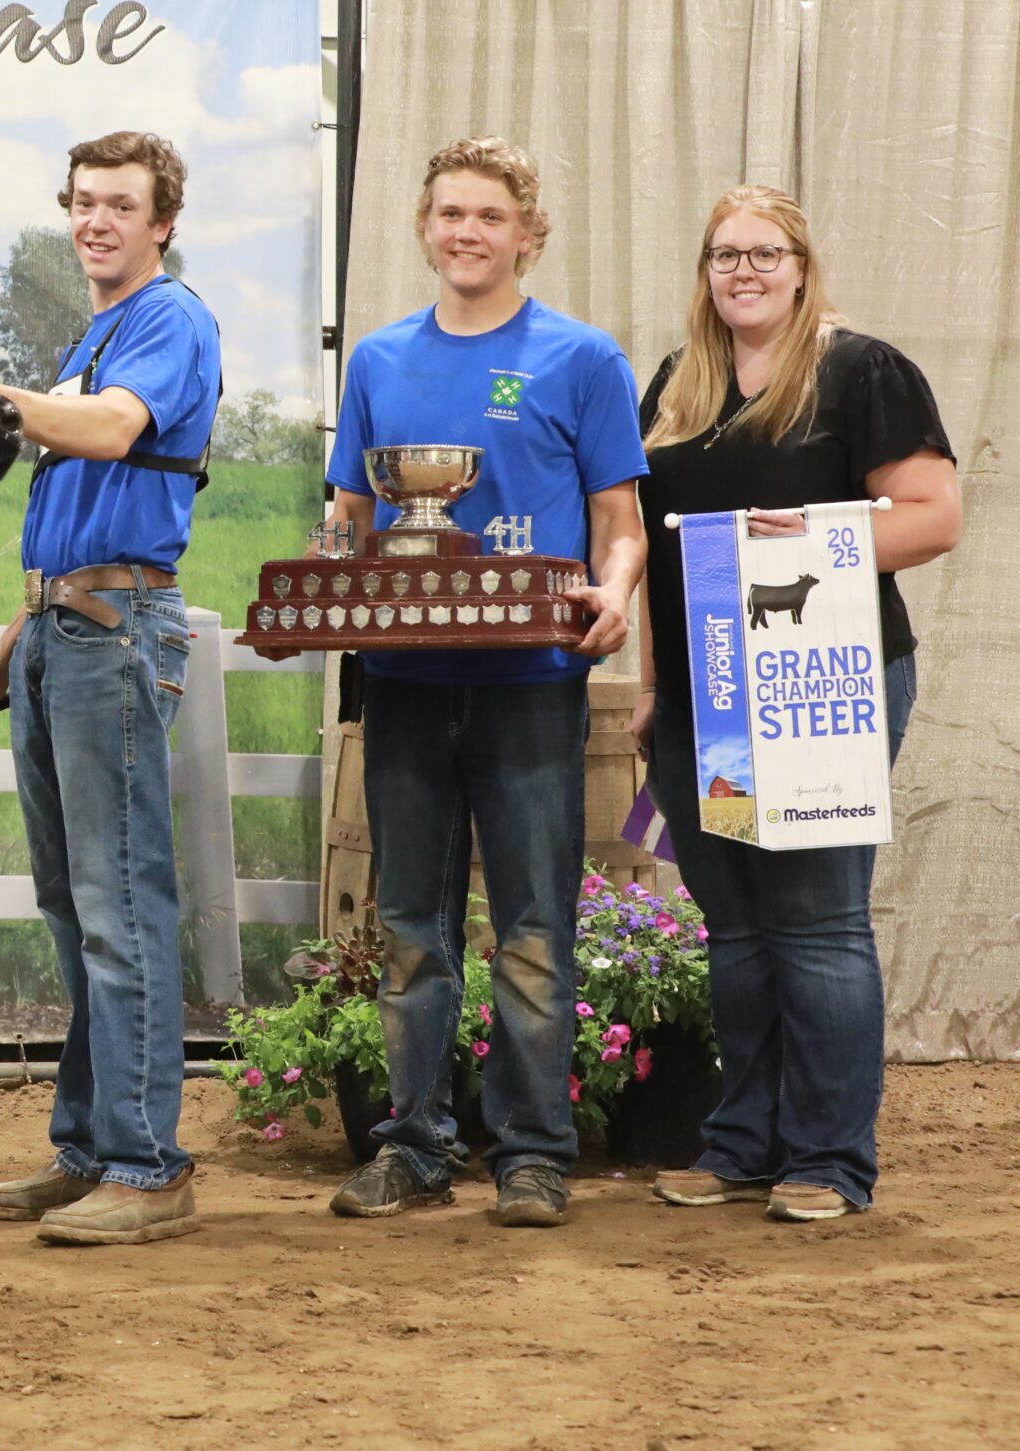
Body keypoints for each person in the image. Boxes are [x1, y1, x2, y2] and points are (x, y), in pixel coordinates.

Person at [321, 137, 646, 1229]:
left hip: (531, 683)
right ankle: (414, 1144)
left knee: (534, 931)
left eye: (490, 216)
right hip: (404, 685)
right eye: (450, 213)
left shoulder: (582, 358)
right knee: (411, 928)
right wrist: (320, 590)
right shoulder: (377, 360)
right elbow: (349, 519)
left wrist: (614, 594)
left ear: (527, 235)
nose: (467, 232)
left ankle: (533, 1153)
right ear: (424, 227)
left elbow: (620, 522)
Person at [632, 185, 959, 1222]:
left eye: (764, 253)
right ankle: (740, 1144)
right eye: (725, 255)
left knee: (815, 922)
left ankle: (828, 1157)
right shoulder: (676, 385)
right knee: (735, 928)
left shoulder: (861, 371)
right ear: (705, 270)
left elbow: (933, 516)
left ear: (802, 265)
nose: (744, 271)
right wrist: (651, 686)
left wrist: (819, 537)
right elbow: (657, 551)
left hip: (824, 683)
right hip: (706, 690)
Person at [0, 131, 222, 1246]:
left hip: (115, 632)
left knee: (119, 906)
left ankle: (149, 1169)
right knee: (74, 907)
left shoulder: (169, 318)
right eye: (83, 203)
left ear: (162, 224)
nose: (96, 221)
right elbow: (64, 533)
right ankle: (93, 1148)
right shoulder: (92, 333)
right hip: (61, 630)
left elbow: (112, 431)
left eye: (121, 205)